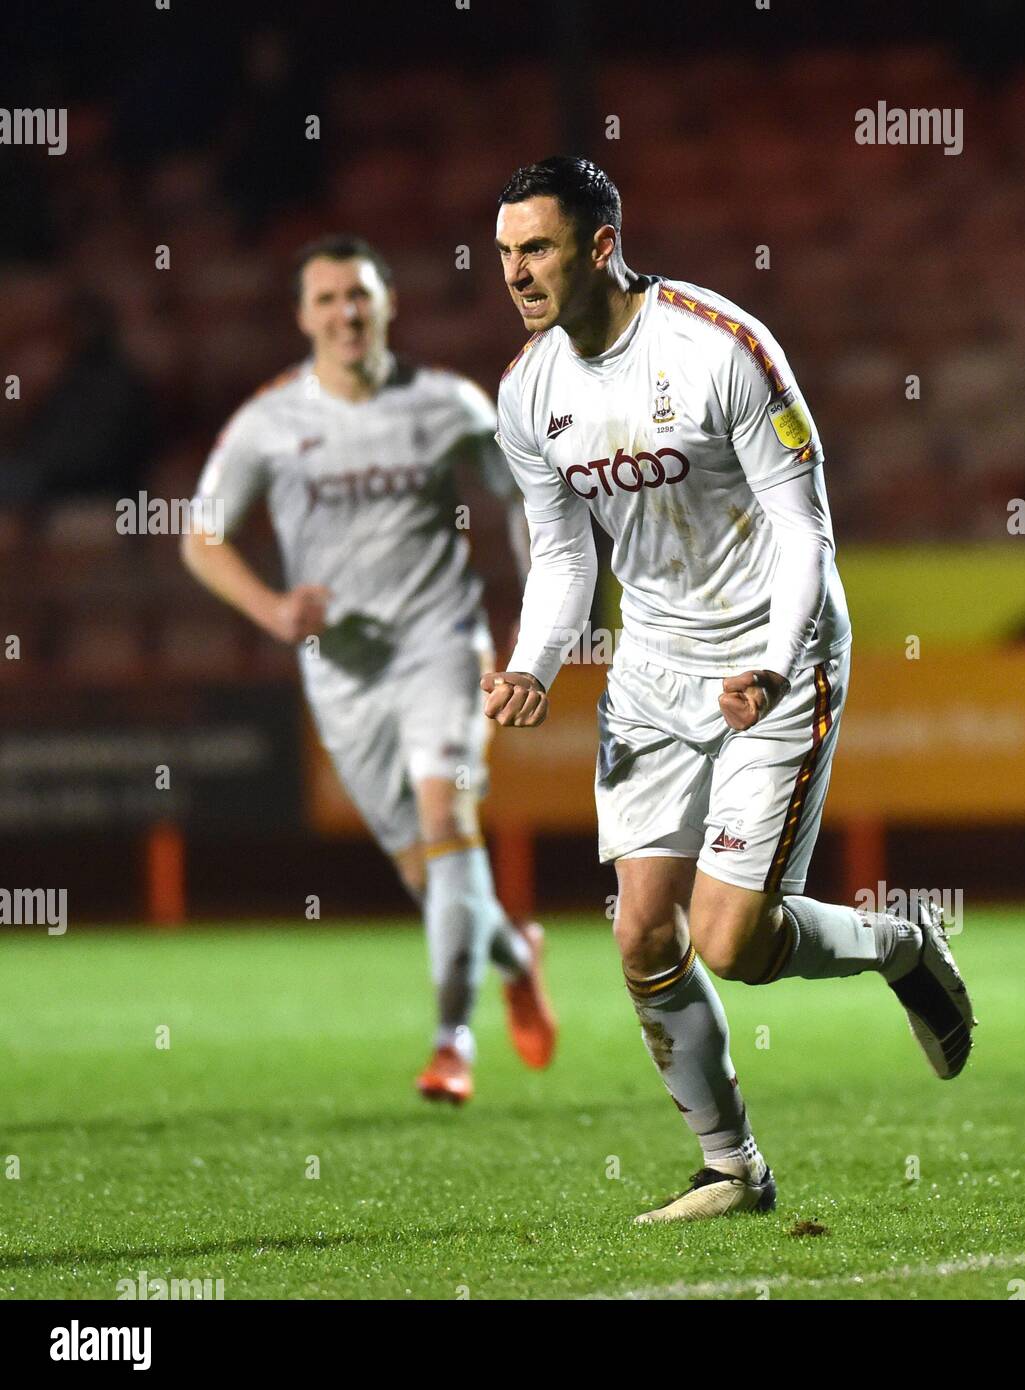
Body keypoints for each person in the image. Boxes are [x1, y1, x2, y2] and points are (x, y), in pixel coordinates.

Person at [484, 157, 974, 1222]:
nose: (516, 272)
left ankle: (902, 945)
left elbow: (806, 528)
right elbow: (563, 557)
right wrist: (531, 661)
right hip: (651, 666)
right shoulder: (527, 394)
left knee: (733, 940)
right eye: (507, 251)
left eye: (537, 248)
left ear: (599, 246)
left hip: (772, 651)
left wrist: (771, 656)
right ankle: (732, 1170)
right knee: (641, 937)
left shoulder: (721, 348)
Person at [182, 234, 555, 1105]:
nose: (345, 313)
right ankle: (516, 953)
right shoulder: (270, 421)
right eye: (326, 299)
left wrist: (539, 607)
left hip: (441, 645)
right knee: (429, 875)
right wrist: (273, 609)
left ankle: (450, 1043)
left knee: (445, 815)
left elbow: (527, 498)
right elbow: (201, 535)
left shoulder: (447, 404)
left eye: (360, 295)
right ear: (303, 316)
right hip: (342, 672)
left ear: (388, 304)